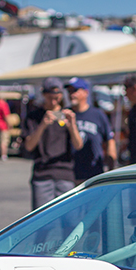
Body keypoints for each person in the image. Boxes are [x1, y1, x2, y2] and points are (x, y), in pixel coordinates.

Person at [22, 77, 83, 210]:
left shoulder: (68, 115)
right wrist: (42, 125)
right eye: (50, 97)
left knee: (69, 219)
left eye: (57, 97)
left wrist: (72, 125)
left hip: (65, 173)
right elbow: (29, 146)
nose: (54, 101)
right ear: (44, 95)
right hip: (42, 174)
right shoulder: (34, 116)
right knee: (41, 219)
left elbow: (78, 145)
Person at [66, 77, 116, 181]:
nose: (71, 94)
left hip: (94, 171)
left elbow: (110, 140)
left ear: (85, 92)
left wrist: (111, 168)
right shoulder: (66, 115)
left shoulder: (98, 114)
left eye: (75, 90)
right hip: (70, 173)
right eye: (69, 91)